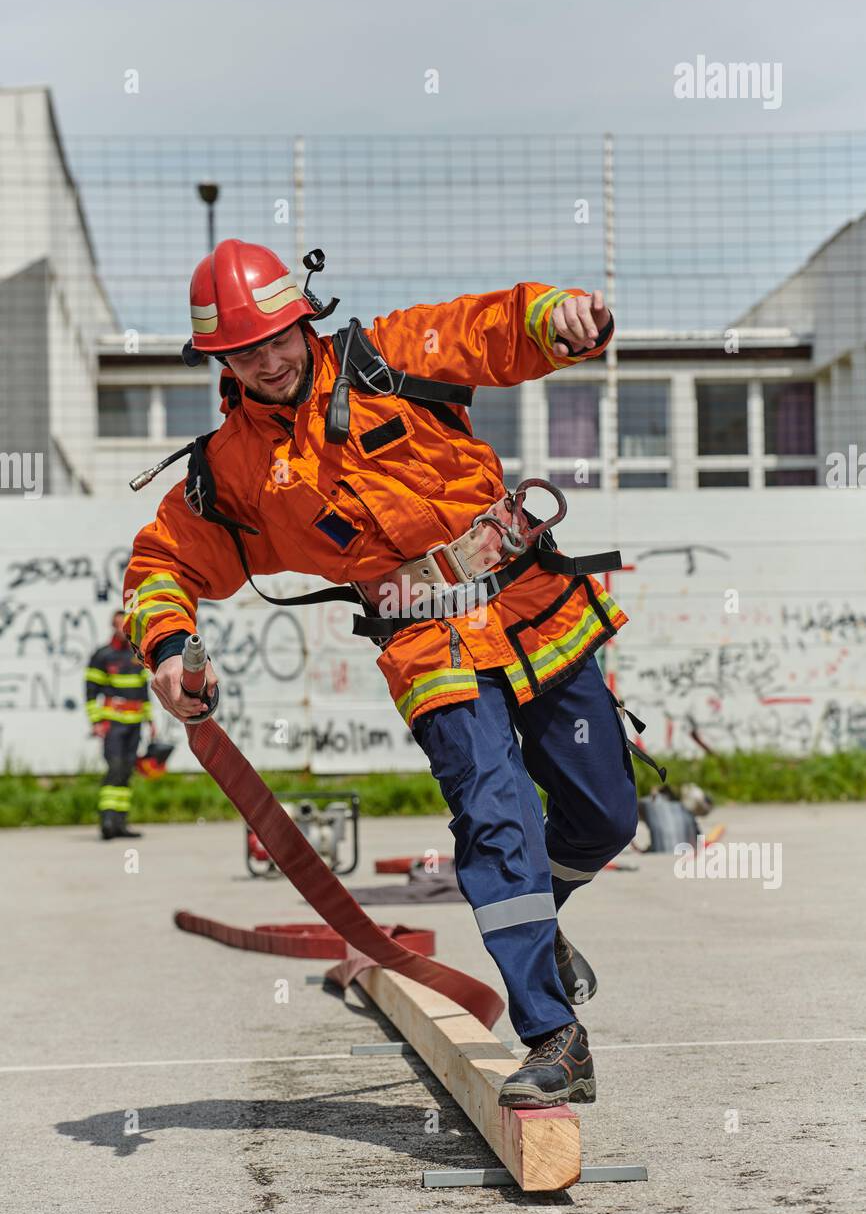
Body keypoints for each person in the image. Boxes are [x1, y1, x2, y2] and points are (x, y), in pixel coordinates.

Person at [123, 239, 640, 1107]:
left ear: (303, 320)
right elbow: (162, 564)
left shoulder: (390, 357)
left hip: (531, 605)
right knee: (494, 815)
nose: (267, 360)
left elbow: (493, 329)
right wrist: (169, 648)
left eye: (278, 337)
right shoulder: (234, 473)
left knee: (603, 816)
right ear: (217, 358)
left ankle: (540, 922)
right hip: (426, 645)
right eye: (243, 350)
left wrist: (563, 317)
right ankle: (554, 1036)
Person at [85, 610, 152, 840]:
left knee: (126, 772)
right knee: (114, 769)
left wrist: (150, 720)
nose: (123, 631)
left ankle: (120, 823)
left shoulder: (138, 655)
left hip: (135, 724)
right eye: (118, 626)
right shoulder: (102, 656)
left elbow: (145, 691)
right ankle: (107, 821)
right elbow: (91, 691)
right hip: (113, 723)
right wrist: (96, 721)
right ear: (112, 627)